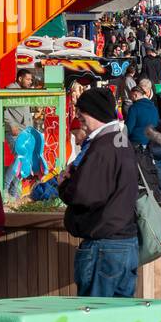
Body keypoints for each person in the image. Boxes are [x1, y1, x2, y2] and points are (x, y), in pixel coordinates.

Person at [60, 87, 139, 298]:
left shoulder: (103, 147)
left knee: (95, 318)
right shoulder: (122, 141)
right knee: (118, 318)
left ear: (95, 113)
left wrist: (65, 184)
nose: (79, 119)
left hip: (104, 243)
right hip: (126, 241)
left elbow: (84, 194)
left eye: (82, 113)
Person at [124, 82, 160, 150]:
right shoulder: (153, 106)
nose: (131, 99)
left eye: (131, 96)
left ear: (135, 95)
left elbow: (128, 128)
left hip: (136, 142)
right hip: (151, 142)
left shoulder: (134, 108)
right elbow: (157, 123)